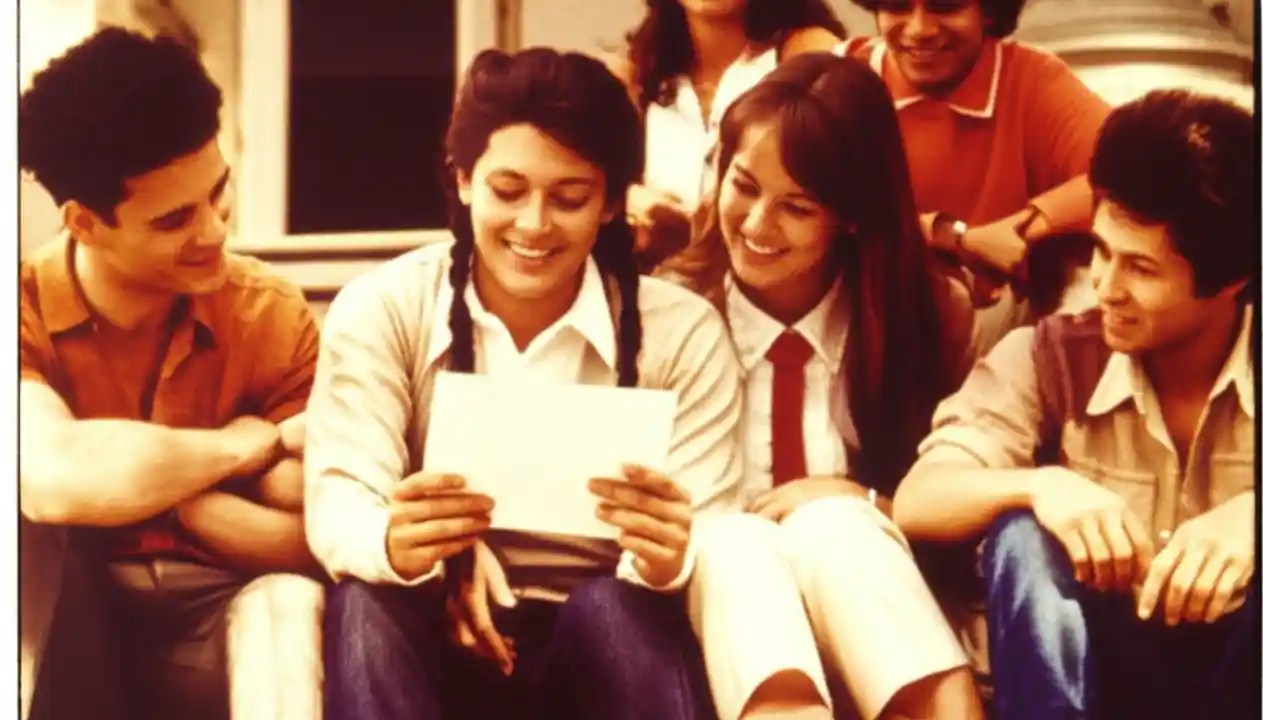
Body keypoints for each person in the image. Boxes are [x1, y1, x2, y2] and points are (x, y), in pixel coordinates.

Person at [307, 47, 742, 720]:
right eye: (507, 192)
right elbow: (341, 499)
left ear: (611, 204)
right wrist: (409, 547)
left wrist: (670, 557)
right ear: (463, 181)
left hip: (606, 635)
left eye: (569, 199)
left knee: (612, 611)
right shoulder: (385, 306)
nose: (534, 225)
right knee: (365, 605)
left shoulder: (681, 332)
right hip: (433, 624)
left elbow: (710, 525)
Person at [893, 89, 1258, 719]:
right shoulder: (1051, 356)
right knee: (1022, 535)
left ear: (1231, 281)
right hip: (1092, 683)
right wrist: (1042, 486)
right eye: (1101, 250)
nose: (1105, 286)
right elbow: (919, 498)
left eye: (1141, 269)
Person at [661, 53, 982, 719]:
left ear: (853, 215)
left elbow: (964, 501)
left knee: (834, 523)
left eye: (796, 207)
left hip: (870, 605)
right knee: (735, 542)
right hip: (717, 609)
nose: (757, 224)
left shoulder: (927, 313)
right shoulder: (667, 310)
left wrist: (868, 500)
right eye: (743, 186)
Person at [19, 27, 321, 720]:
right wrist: (240, 449)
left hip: (219, 618)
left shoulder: (270, 314)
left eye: (219, 192)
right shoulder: (21, 306)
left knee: (291, 603)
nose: (214, 231)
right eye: (175, 219)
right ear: (84, 223)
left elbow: (317, 529)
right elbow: (55, 479)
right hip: (56, 622)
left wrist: (174, 498)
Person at [842, 0, 1111, 354]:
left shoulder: (1030, 80)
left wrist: (1027, 227)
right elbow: (817, 216)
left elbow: (1141, 170)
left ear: (989, 10)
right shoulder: (837, 81)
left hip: (992, 340)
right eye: (897, 6)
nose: (919, 29)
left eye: (945, 7)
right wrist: (956, 237)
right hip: (853, 333)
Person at [612, 0, 845, 266]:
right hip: (658, 279)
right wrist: (628, 200)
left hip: (771, 275)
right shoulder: (634, 71)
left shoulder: (812, 54)